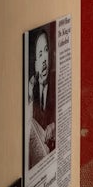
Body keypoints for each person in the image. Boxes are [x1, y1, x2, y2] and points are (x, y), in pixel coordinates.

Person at [27, 27, 56, 167]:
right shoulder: (30, 90)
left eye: (46, 50)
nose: (44, 60)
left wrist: (54, 127)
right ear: (34, 63)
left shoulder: (56, 83)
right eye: (40, 54)